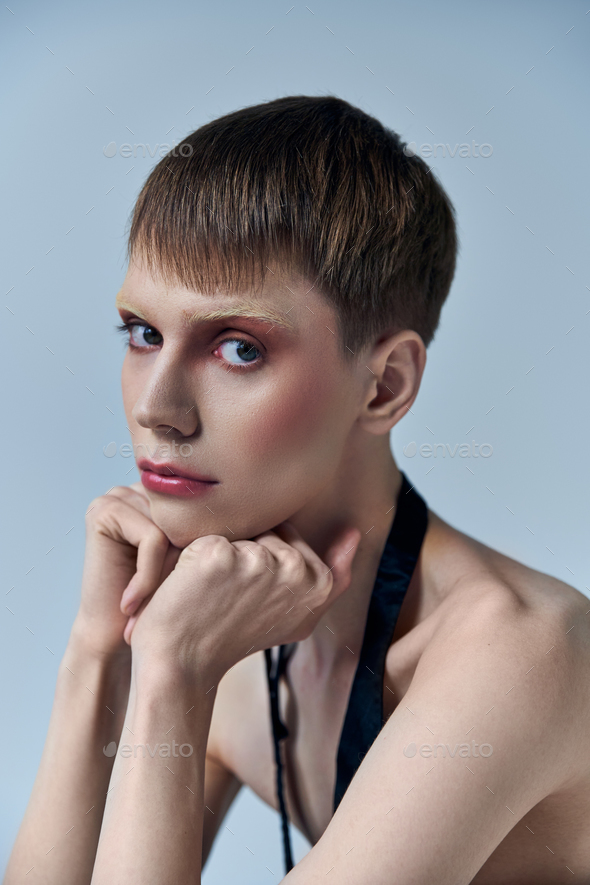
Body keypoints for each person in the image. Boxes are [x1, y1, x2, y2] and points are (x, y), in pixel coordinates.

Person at [5, 95, 590, 885]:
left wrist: (173, 671)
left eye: (238, 347)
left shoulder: (517, 653)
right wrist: (97, 645)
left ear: (383, 385)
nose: (156, 408)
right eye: (143, 333)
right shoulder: (234, 633)